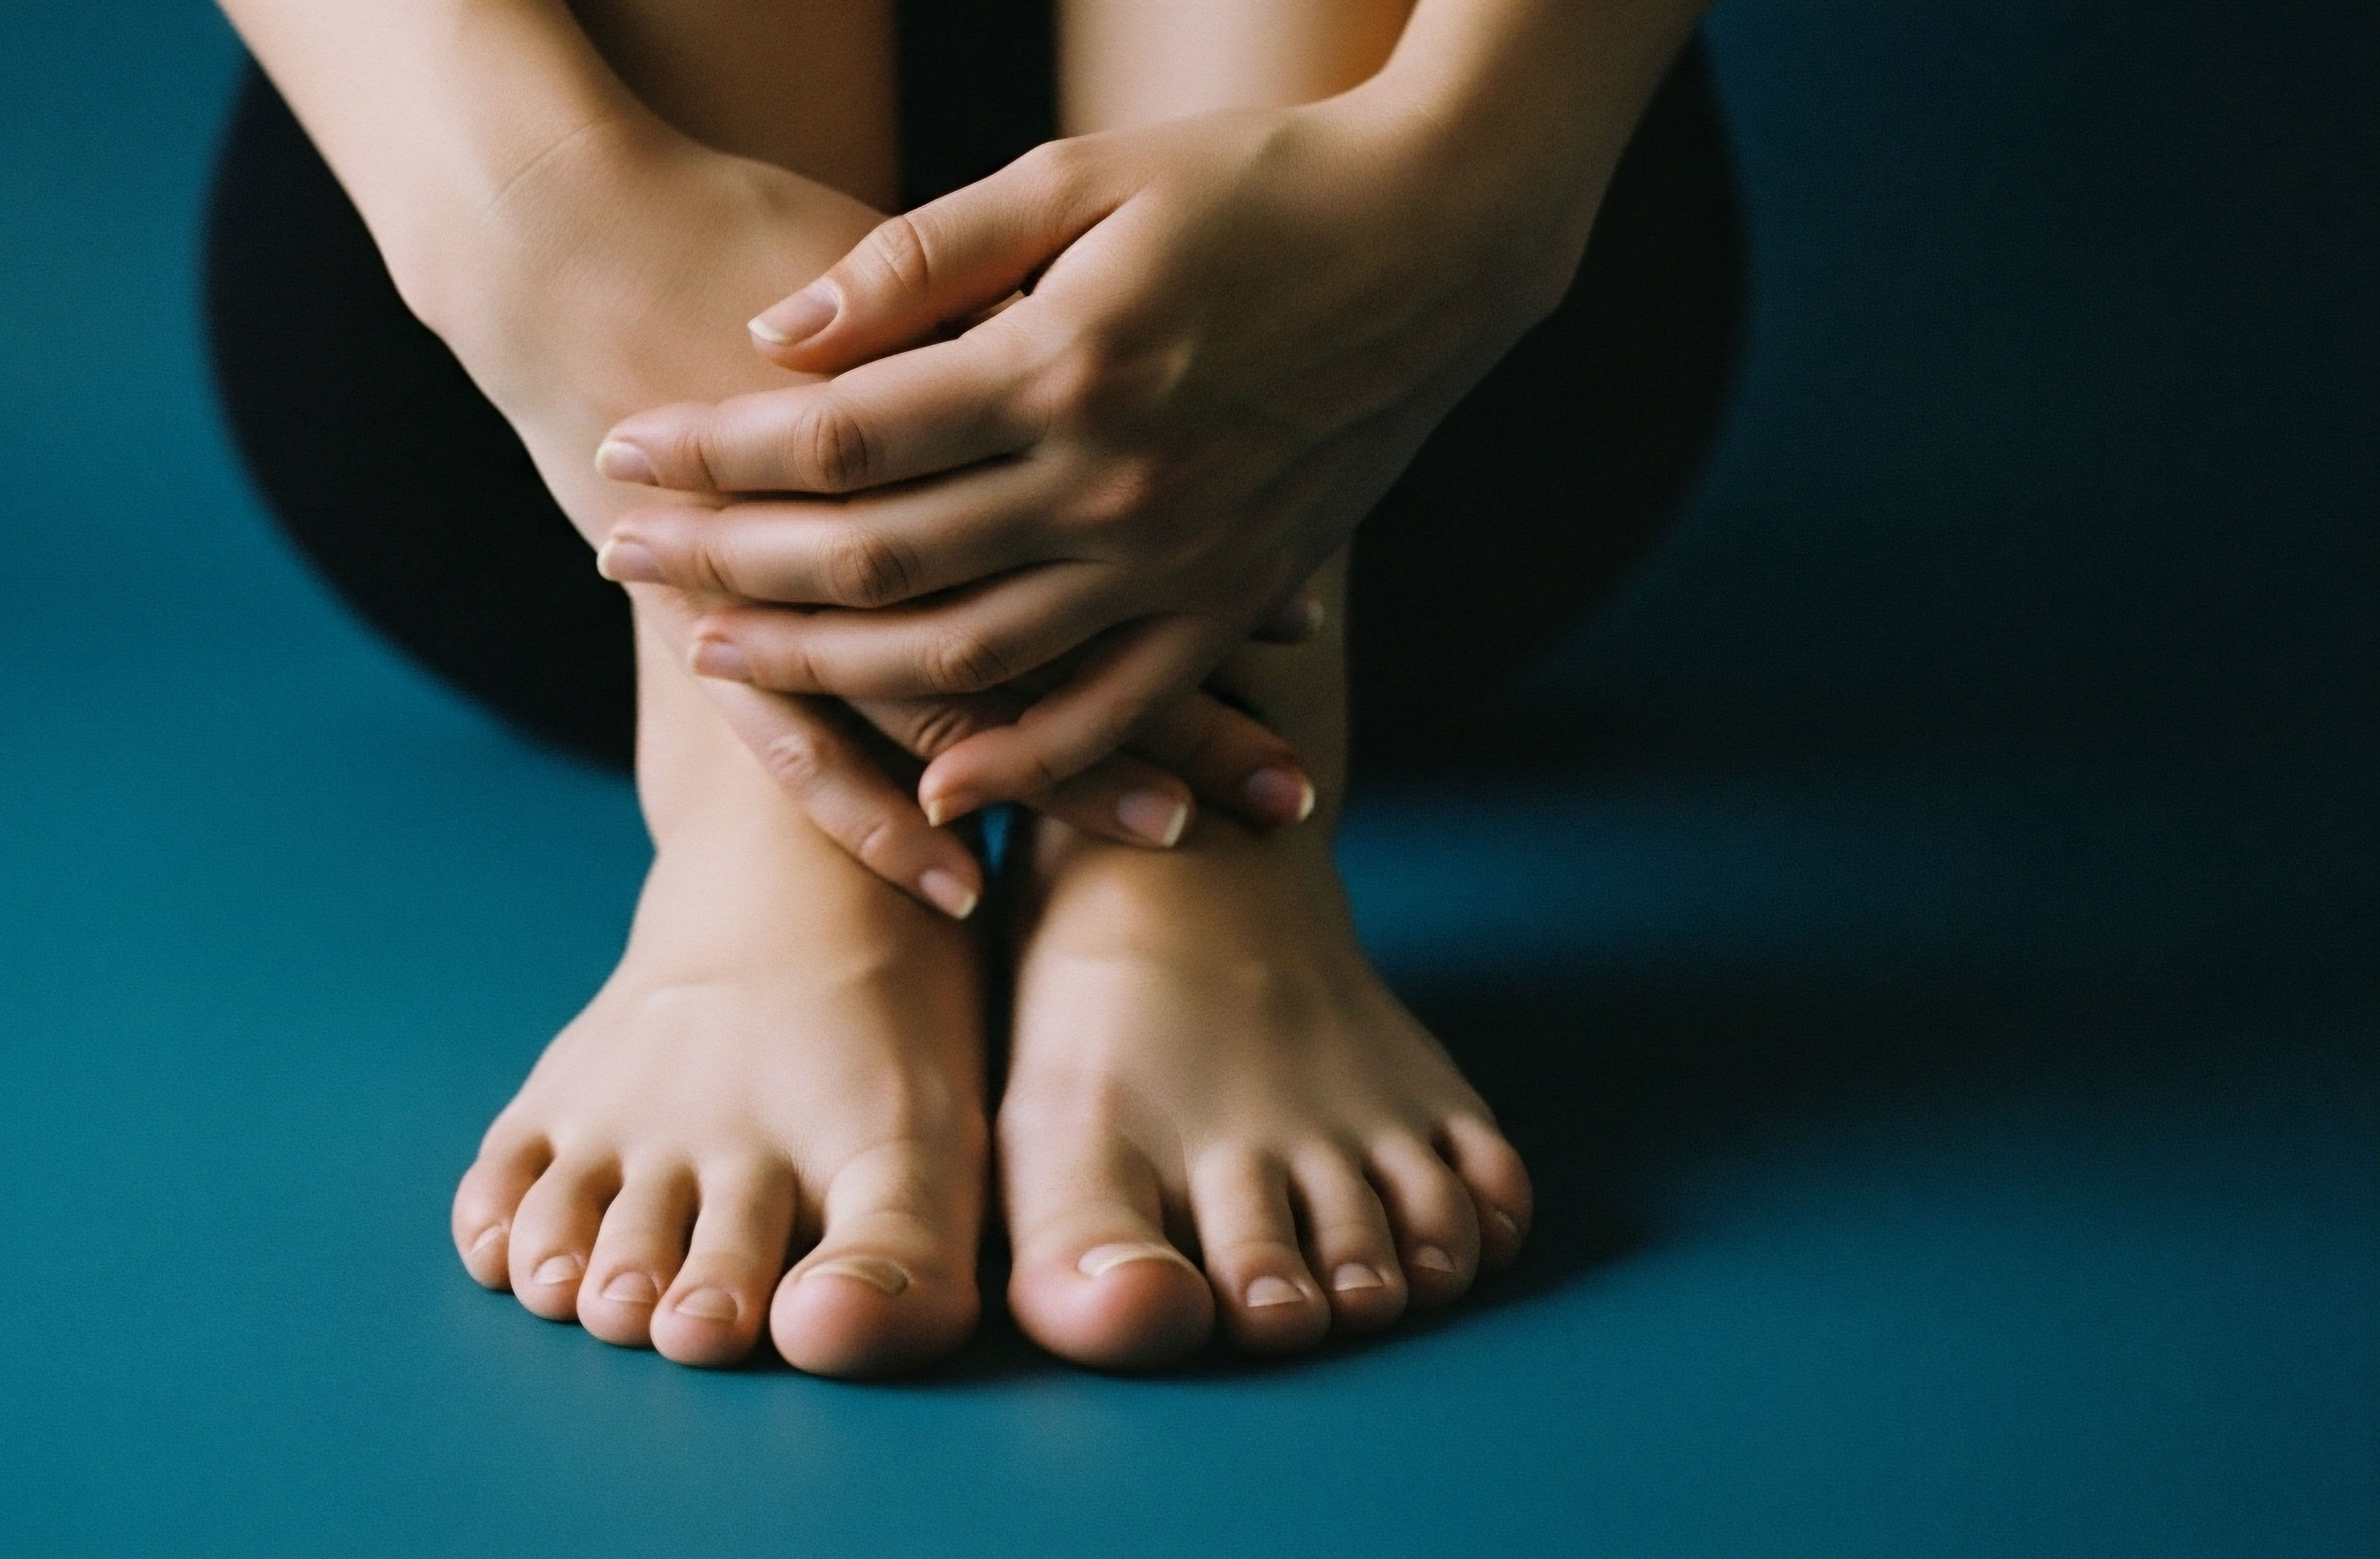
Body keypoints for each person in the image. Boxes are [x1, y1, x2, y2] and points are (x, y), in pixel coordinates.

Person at [206, 0, 1742, 1376]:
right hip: (523, 390)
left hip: (1407, 391)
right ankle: (785, 825)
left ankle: (1195, 849)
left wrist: (1471, 169)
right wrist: (524, 213)